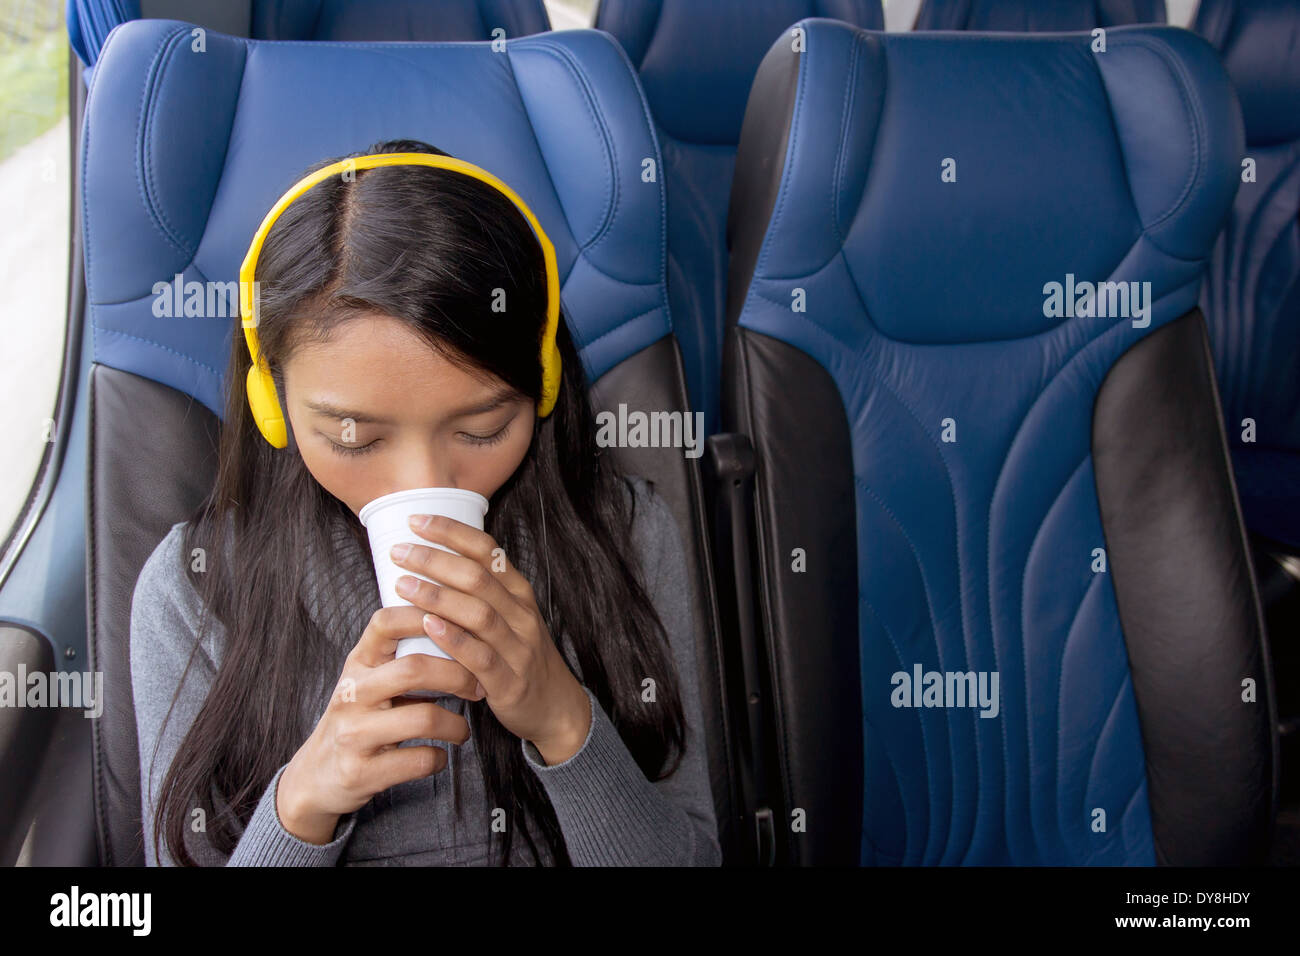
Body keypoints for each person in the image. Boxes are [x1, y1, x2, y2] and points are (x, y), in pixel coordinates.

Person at [129, 137, 721, 866]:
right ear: (272, 406)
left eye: (482, 428)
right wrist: (303, 803)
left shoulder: (625, 536)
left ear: (541, 387)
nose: (422, 480)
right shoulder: (192, 588)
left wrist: (566, 722)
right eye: (353, 437)